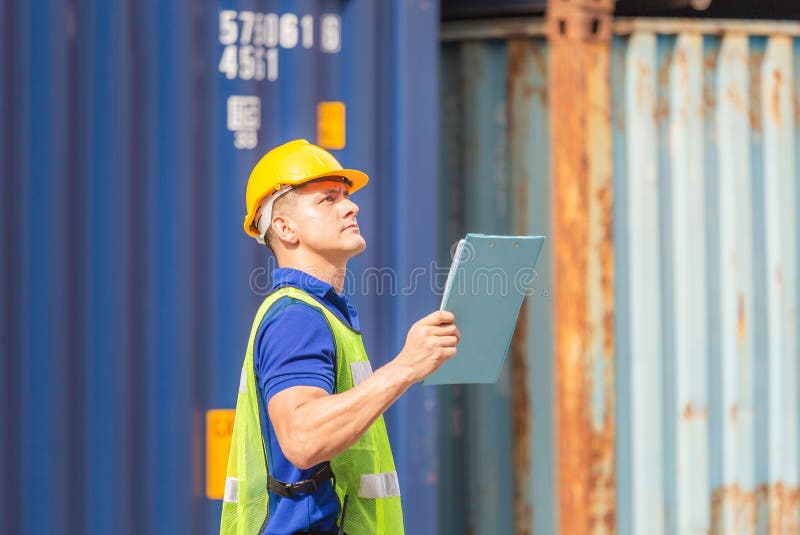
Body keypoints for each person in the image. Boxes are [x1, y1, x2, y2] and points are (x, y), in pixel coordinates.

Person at [220, 139, 460, 535]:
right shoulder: (296, 317)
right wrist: (405, 366)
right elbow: (302, 437)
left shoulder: (320, 313)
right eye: (328, 200)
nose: (351, 207)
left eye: (345, 196)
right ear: (284, 227)